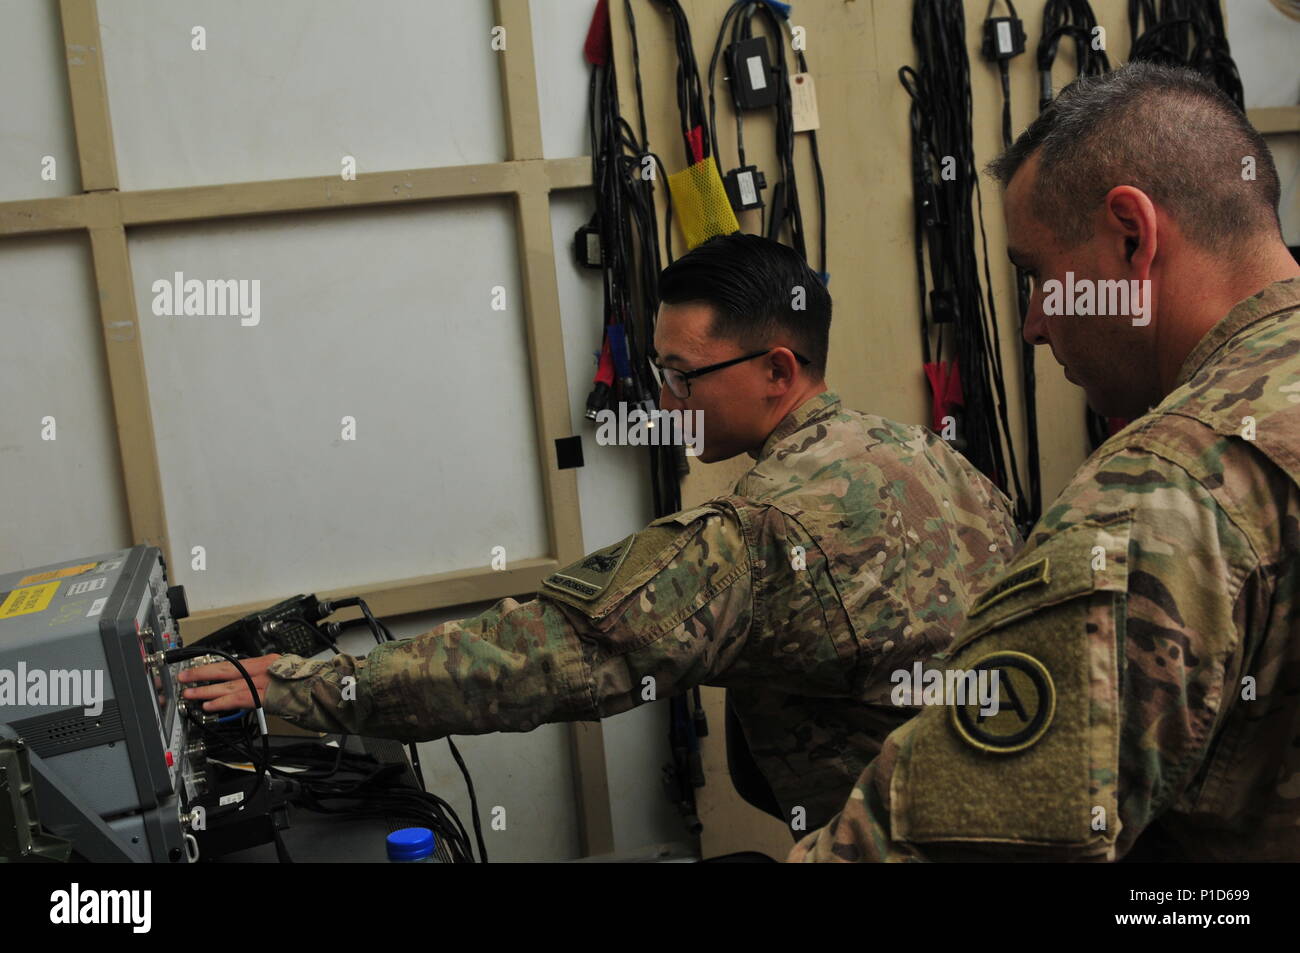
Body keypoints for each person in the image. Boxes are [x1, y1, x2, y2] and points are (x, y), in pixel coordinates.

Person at [180, 233, 1019, 831]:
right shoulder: (938, 460)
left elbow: (533, 657)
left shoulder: (764, 531)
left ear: (777, 370)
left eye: (683, 375)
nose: (665, 400)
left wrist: (295, 686)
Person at [791, 63, 1300, 862]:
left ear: (1132, 235)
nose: (1031, 324)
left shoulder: (1168, 487)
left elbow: (950, 844)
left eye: (1035, 275)